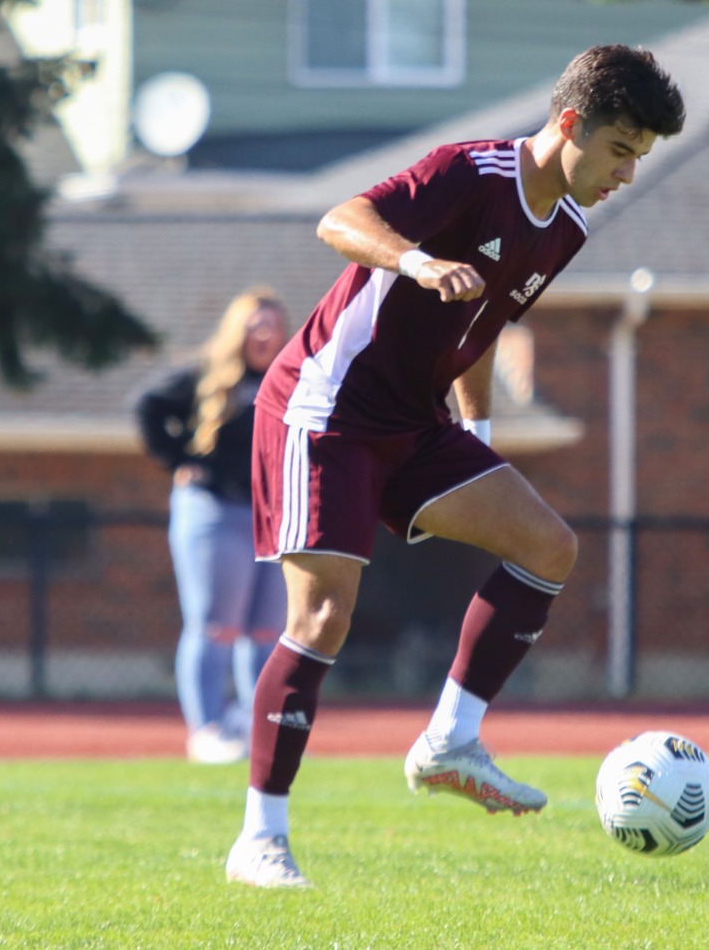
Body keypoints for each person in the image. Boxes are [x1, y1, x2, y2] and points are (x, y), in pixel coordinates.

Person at [223, 45, 685, 887]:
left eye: (639, 159)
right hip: (325, 410)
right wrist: (417, 259)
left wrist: (476, 426)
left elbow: (484, 326)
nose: (626, 173)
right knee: (325, 616)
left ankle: (451, 742)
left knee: (549, 548)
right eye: (621, 150)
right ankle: (260, 837)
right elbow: (339, 220)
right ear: (571, 123)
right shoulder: (467, 172)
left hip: (415, 421)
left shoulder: (568, 228)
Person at [138, 288, 292, 764]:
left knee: (268, 630)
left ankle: (252, 725)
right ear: (236, 331)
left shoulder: (291, 379)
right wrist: (179, 460)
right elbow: (147, 407)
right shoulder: (206, 376)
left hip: (272, 516)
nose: (264, 334)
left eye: (272, 325)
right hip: (213, 510)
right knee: (216, 626)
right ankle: (206, 728)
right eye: (254, 325)